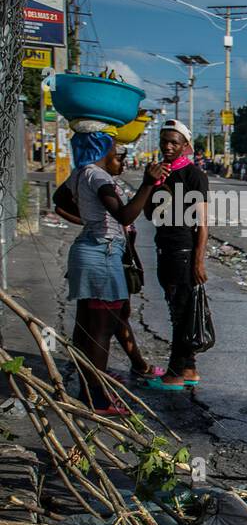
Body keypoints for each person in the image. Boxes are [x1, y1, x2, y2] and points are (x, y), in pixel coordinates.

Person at [61, 132, 166, 414]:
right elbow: (125, 216)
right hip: (101, 256)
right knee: (101, 331)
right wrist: (147, 183)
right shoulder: (99, 178)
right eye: (118, 154)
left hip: (90, 250)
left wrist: (90, 219)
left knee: (88, 327)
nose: (122, 159)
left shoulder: (82, 173)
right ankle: (96, 398)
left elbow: (60, 199)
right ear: (103, 151)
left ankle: (89, 386)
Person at [144, 120, 210, 391]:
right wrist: (153, 183)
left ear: (185, 146)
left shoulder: (195, 175)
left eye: (174, 142)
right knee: (179, 310)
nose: (168, 147)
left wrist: (198, 260)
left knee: (181, 315)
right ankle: (190, 367)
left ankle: (173, 374)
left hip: (182, 251)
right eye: (164, 141)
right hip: (165, 248)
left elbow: (203, 223)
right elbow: (149, 214)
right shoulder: (157, 173)